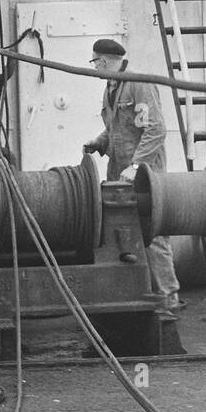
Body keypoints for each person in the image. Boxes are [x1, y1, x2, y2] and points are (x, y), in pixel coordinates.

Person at [82, 38, 182, 311]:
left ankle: (168, 296)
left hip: (145, 174)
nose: (94, 67)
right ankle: (139, 291)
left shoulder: (138, 84)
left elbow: (155, 130)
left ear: (102, 61)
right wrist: (99, 142)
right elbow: (119, 127)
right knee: (124, 231)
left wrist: (136, 166)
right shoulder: (112, 87)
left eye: (94, 62)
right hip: (120, 175)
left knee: (154, 232)